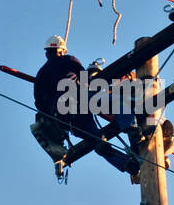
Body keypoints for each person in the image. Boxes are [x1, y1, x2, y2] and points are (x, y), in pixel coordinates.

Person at [31, 35, 137, 175]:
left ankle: (127, 165)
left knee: (97, 141)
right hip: (78, 100)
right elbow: (86, 81)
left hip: (65, 118)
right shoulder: (68, 60)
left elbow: (39, 105)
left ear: (47, 53)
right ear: (62, 51)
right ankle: (132, 130)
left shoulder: (40, 75)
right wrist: (94, 73)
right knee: (117, 103)